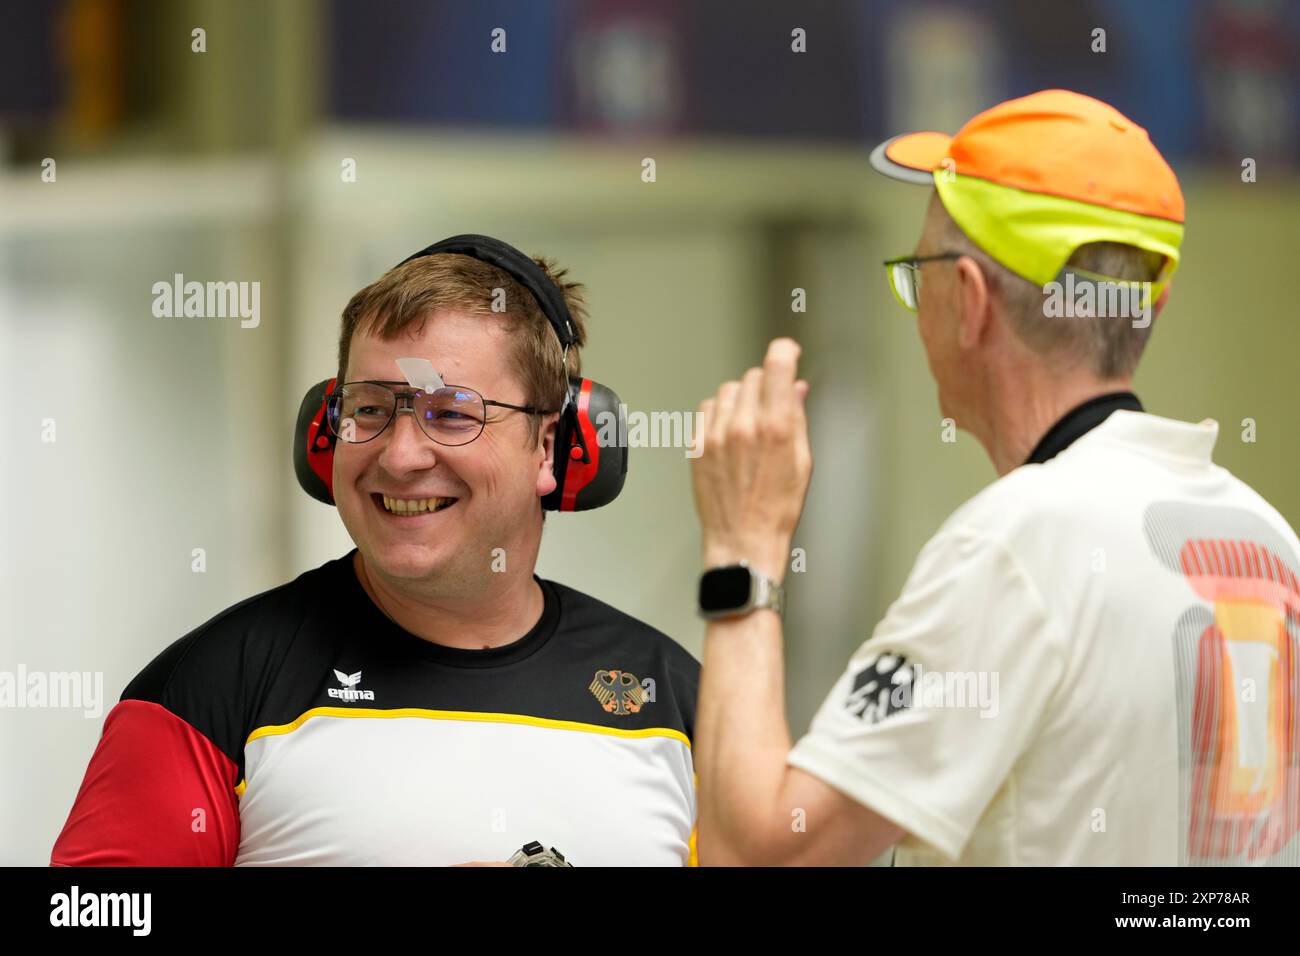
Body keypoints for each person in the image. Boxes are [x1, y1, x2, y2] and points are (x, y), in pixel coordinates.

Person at [689, 89, 1300, 865]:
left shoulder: (1019, 545)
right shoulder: (1272, 540)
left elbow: (762, 853)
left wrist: (742, 550)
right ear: (1154, 301)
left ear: (971, 301)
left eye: (920, 275)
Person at [51, 239, 700, 866]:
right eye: (369, 410)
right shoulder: (213, 687)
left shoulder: (674, 702)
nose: (399, 455)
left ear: (552, 445)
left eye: (450, 413)